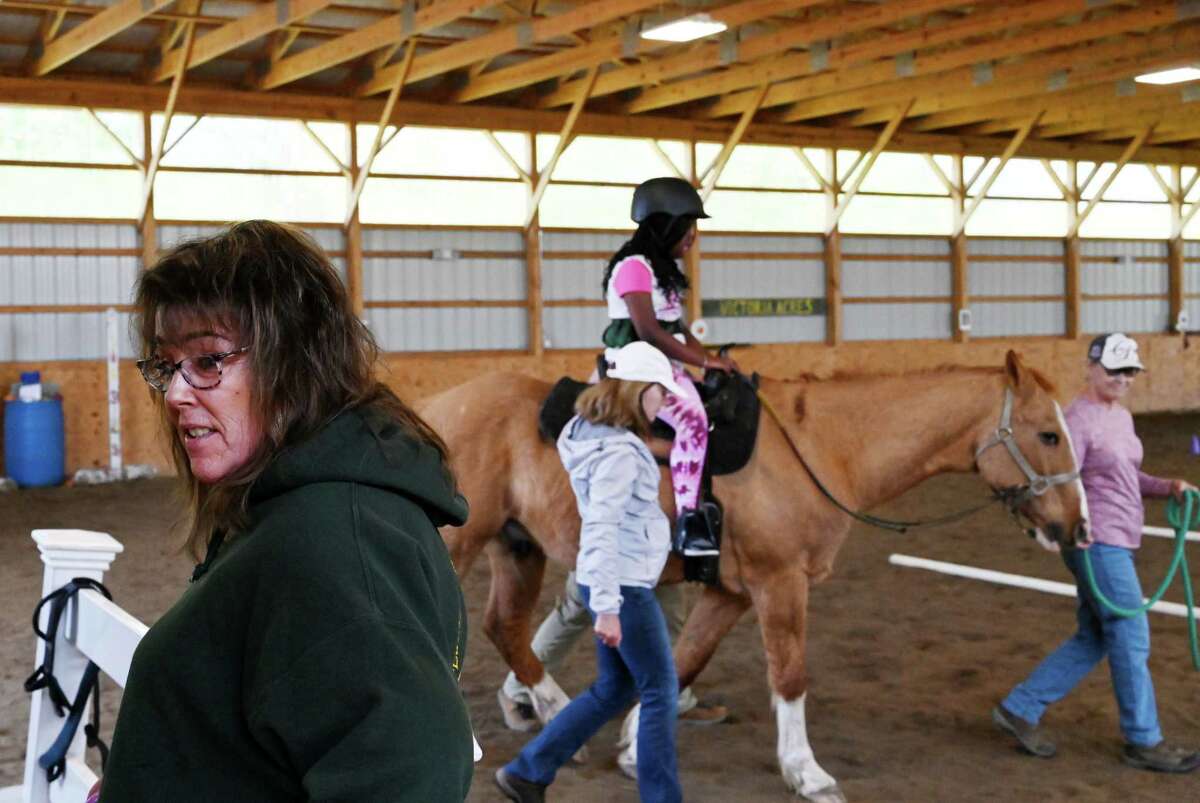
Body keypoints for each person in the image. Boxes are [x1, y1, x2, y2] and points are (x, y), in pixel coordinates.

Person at [99, 221, 477, 801]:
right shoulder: (288, 510)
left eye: (208, 360)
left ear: (297, 362)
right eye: (167, 366)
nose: (174, 394)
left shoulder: (336, 544)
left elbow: (414, 767)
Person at [993, 333, 1200, 774]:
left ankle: (1021, 707)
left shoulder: (1120, 418)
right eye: (1114, 370)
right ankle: (1144, 740)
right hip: (1097, 541)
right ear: (1091, 368)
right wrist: (1068, 532)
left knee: (1095, 636)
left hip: (1119, 538)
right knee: (1131, 634)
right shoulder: (1076, 422)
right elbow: (1061, 482)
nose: (1123, 379)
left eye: (1129, 371)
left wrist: (1167, 486)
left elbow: (1125, 475)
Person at [495, 342, 687, 803]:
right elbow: (600, 528)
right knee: (660, 692)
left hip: (613, 581)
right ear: (637, 390)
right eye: (660, 391)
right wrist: (606, 607)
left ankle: (528, 771)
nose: (665, 400)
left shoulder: (591, 434)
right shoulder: (620, 454)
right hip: (623, 586)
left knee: (614, 688)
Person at [602, 177, 737, 576]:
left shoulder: (661, 271)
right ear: (665, 226)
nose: (692, 236)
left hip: (661, 368)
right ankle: (689, 522)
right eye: (687, 226)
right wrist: (704, 362)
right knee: (692, 421)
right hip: (635, 372)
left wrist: (709, 360)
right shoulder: (633, 269)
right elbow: (648, 332)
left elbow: (675, 329)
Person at [496, 571, 728, 733]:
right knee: (578, 605)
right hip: (603, 538)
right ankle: (518, 689)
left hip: (650, 537)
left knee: (668, 603)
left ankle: (673, 697)